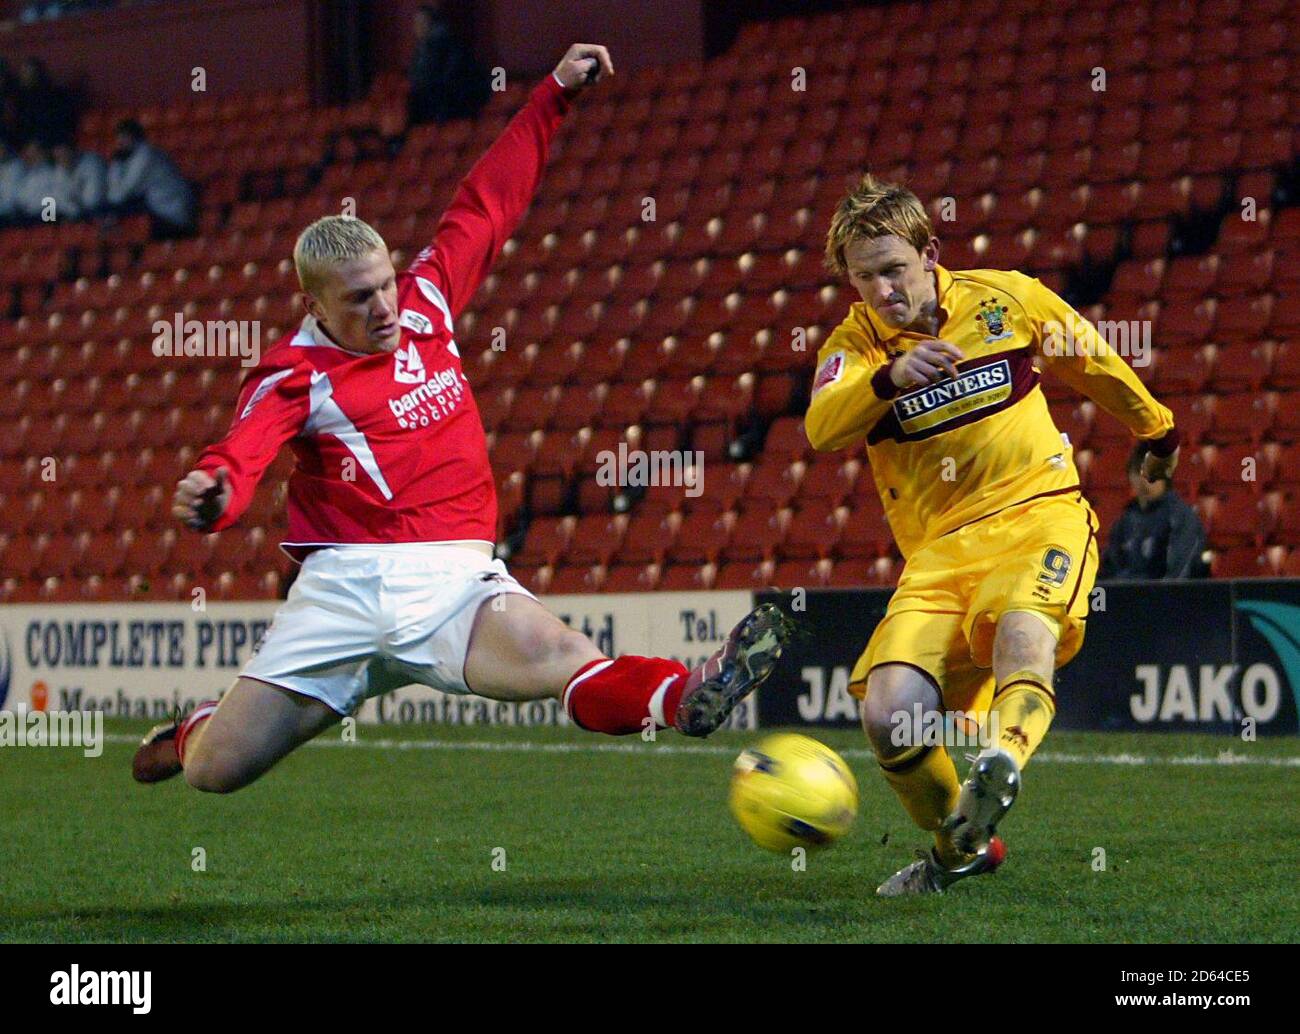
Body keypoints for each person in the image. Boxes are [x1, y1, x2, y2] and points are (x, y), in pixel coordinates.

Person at [132, 44, 790, 794]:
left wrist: (553, 96)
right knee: (218, 773)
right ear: (316, 305)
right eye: (358, 299)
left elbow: (489, 202)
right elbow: (239, 453)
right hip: (346, 592)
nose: (383, 307)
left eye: (384, 285)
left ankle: (685, 692)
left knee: (559, 658)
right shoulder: (295, 373)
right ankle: (192, 734)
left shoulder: (426, 301)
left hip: (453, 577)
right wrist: (217, 492)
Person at [805, 174, 1179, 895]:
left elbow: (1091, 359)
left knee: (1023, 633)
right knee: (889, 714)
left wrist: (1155, 427)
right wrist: (888, 378)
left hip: (1040, 512)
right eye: (864, 278)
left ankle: (1000, 758)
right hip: (940, 556)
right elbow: (822, 426)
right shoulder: (853, 347)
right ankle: (960, 846)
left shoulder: (1004, 297)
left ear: (930, 252)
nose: (882, 290)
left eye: (894, 269)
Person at [1098, 441, 1206, 579]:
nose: (1145, 481)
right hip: (1126, 598)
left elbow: (1178, 575)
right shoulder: (1124, 521)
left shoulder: (1181, 517)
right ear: (1130, 476)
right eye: (1138, 472)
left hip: (1168, 598)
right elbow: (1109, 571)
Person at [105, 118, 195, 236]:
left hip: (172, 214)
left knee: (109, 212)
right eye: (119, 138)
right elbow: (116, 191)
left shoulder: (146, 155)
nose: (120, 142)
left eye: (124, 137)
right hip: (155, 207)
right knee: (103, 214)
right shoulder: (130, 157)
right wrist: (117, 163)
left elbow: (123, 192)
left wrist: (116, 164)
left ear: (134, 137)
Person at [407, 1, 491, 126]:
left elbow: (434, 79)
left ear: (429, 23)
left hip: (443, 107)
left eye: (420, 23)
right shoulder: (427, 47)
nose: (416, 28)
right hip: (438, 105)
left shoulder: (437, 47)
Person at [49, 141, 107, 221]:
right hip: (77, 219)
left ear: (71, 150)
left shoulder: (92, 163)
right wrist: (73, 205)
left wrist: (73, 200)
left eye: (63, 153)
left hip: (100, 215)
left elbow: (92, 200)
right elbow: (60, 201)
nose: (62, 159)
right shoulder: (59, 170)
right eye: (58, 157)